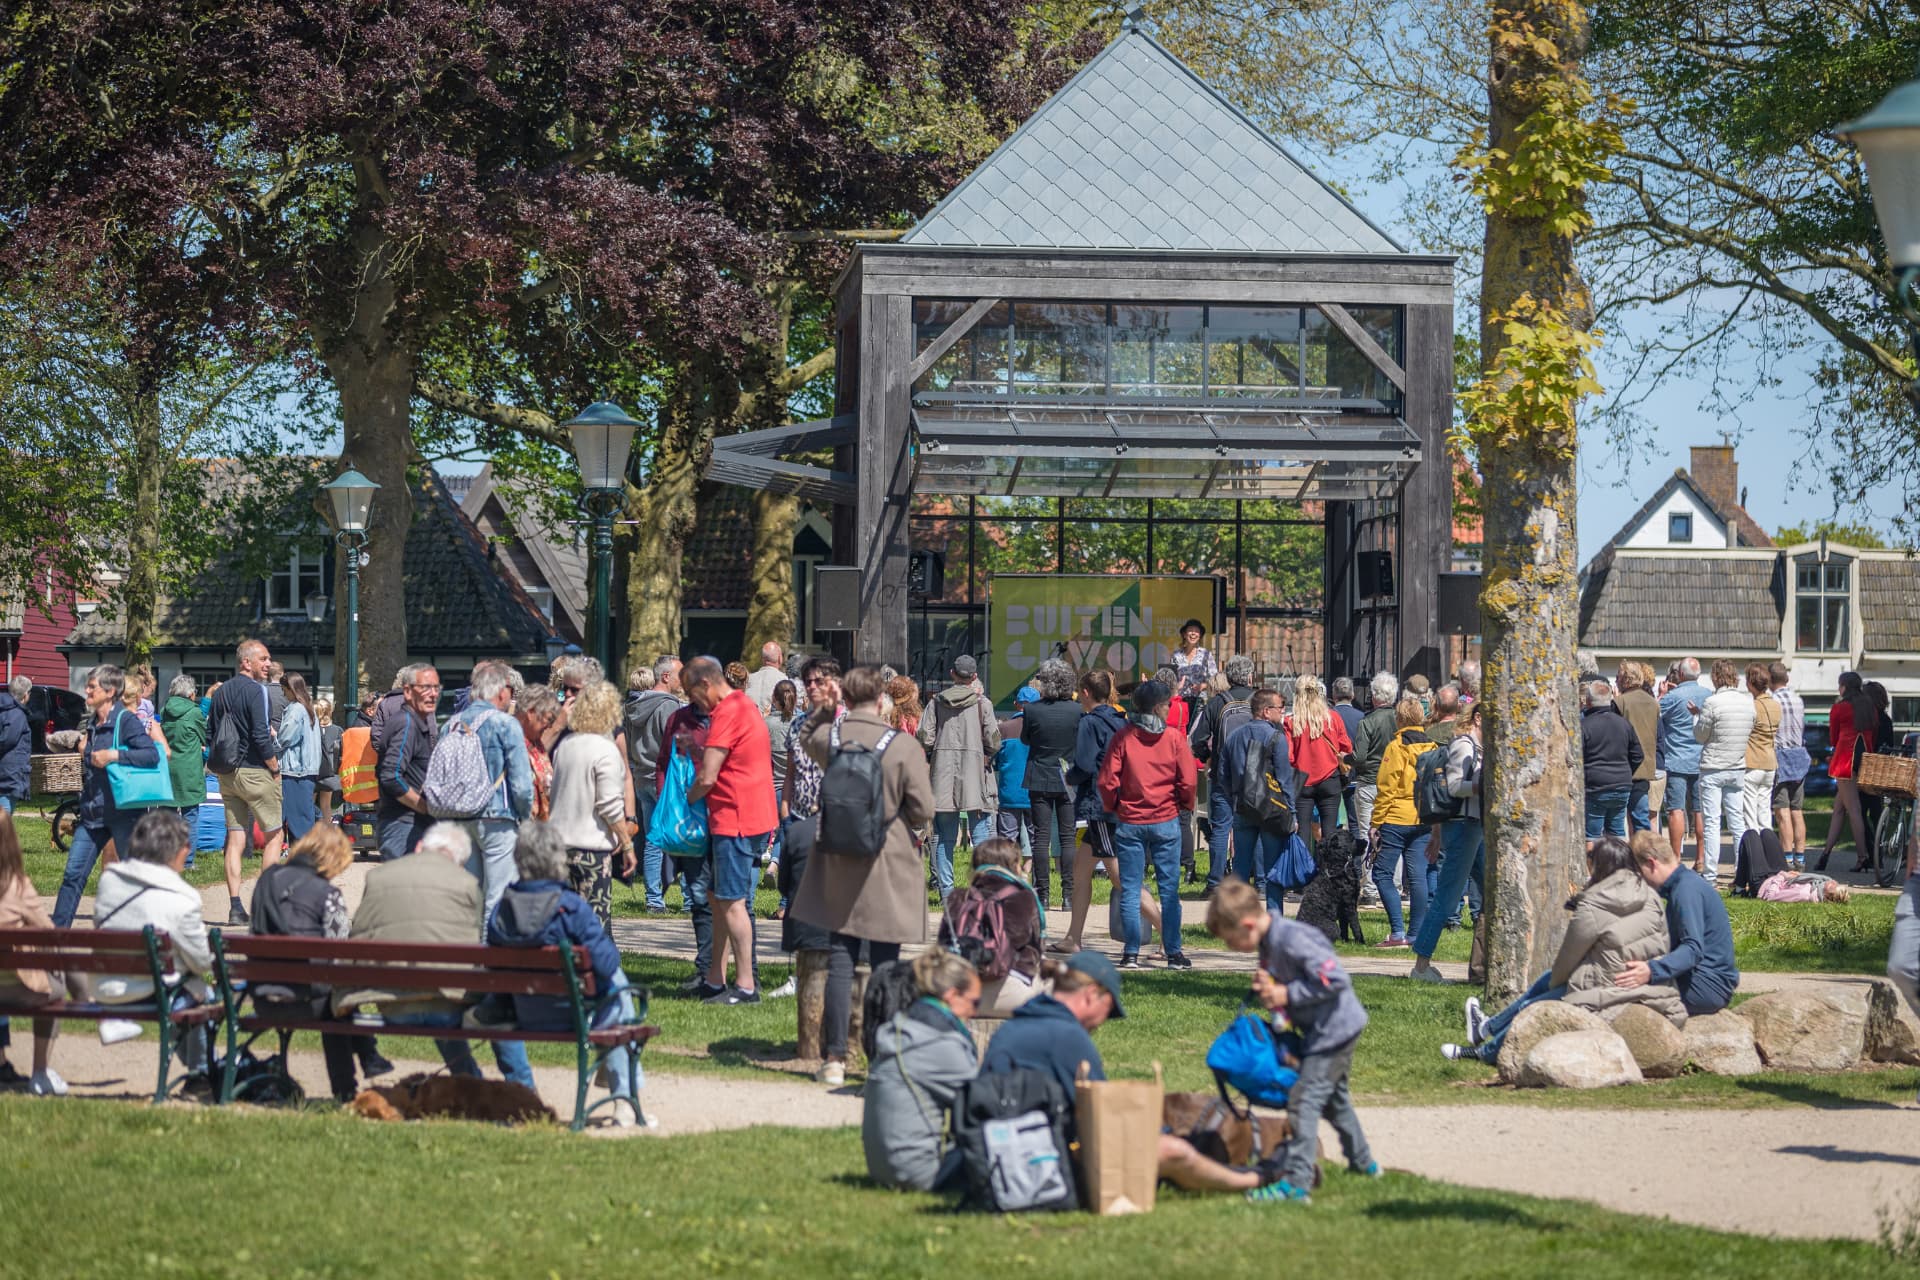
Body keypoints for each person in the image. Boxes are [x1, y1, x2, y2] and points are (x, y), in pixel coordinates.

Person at [980, 950, 1277, 1196]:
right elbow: (1103, 1120)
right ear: (1091, 995)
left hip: (994, 1156)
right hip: (1030, 1167)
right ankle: (1254, 1179)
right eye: (1108, 1010)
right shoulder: (1067, 1036)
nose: (1102, 1023)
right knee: (1172, 1150)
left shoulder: (1018, 1024)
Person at [792, 663, 934, 1086]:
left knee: (841, 958)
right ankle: (882, 1057)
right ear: (881, 698)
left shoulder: (833, 740)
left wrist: (825, 709)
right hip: (887, 859)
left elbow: (806, 735)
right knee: (886, 963)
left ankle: (835, 1057)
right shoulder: (902, 746)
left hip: (837, 857)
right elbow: (924, 809)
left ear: (847, 698)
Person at [1443, 835, 1686, 1061]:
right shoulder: (1652, 897)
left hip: (1609, 989)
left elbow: (1567, 961)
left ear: (1599, 868)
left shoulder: (1593, 907)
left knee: (1535, 1006)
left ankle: (1485, 1053)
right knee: (1547, 980)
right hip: (1650, 983)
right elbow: (1662, 944)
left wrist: (1557, 983)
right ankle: (1486, 1028)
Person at [1208, 878, 1378, 1203]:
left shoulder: (1292, 938)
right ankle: (1365, 1165)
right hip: (1319, 1029)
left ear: (1246, 925)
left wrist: (1287, 992)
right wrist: (1272, 993)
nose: (1231, 947)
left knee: (1303, 1101)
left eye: (1231, 941)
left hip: (1335, 1029)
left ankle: (1297, 1184)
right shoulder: (1269, 944)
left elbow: (1334, 978)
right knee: (1334, 1101)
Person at [349, 820, 532, 1088]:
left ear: (420, 846)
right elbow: (473, 946)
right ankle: (523, 1088)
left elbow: (358, 935)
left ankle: (469, 1083)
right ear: (459, 862)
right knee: (495, 1004)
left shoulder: (378, 877)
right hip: (445, 1005)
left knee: (437, 993)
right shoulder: (466, 884)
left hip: (390, 1003)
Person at [488, 820, 647, 1126]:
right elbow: (608, 963)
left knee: (614, 985)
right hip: (578, 1015)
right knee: (617, 983)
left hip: (520, 1012)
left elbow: (493, 967)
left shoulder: (501, 910)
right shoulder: (571, 908)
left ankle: (527, 1092)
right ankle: (625, 1099)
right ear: (558, 859)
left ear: (519, 859)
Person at [249, 824, 390, 1102]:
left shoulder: (267, 881)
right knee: (337, 1003)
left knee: (335, 1000)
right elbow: (341, 954)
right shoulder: (327, 894)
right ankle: (348, 1085)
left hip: (263, 997)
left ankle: (368, 1057)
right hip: (308, 1002)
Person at [91, 810, 217, 1081]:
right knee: (201, 991)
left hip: (108, 988)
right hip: (151, 993)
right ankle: (204, 1073)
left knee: (188, 987)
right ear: (177, 852)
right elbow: (201, 963)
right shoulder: (184, 898)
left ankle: (203, 1072)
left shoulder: (109, 881)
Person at [683, 656, 777, 1005]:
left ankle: (746, 986)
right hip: (749, 815)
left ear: (705, 684)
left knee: (733, 902)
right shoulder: (744, 704)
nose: (694, 703)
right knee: (718, 897)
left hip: (735, 818)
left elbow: (708, 776)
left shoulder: (726, 713)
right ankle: (715, 978)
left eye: (692, 694)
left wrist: (684, 801)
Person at [861, 948, 981, 1191]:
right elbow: (982, 1105)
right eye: (974, 1002)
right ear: (952, 995)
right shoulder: (941, 1044)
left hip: (881, 1169)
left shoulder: (900, 1027)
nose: (976, 1011)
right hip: (920, 1172)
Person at [51, 664, 162, 928]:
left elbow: (151, 755)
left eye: (92, 687)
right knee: (73, 876)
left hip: (123, 814)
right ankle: (57, 936)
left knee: (134, 879)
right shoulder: (93, 723)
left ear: (110, 691)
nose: (86, 691)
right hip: (92, 815)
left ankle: (150, 934)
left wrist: (114, 755)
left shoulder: (126, 721)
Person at [1098, 680, 1196, 971]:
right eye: (1166, 705)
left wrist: (1114, 806)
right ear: (1156, 708)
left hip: (1130, 820)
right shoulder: (1173, 738)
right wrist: (1184, 803)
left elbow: (1107, 780)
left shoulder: (1124, 737)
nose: (1169, 709)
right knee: (1169, 891)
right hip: (1166, 819)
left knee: (1130, 889)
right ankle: (1173, 953)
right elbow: (1188, 780)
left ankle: (1130, 952)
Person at [1059, 670, 1158, 952]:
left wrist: (1069, 776)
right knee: (1081, 872)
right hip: (1118, 801)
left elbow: (1085, 764)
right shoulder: (1120, 719)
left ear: (1085, 693)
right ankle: (1073, 938)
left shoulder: (1090, 722)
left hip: (1100, 806)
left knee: (1121, 879)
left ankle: (1169, 934)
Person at [1614, 830, 1739, 1016]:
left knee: (1617, 993)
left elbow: (1692, 949)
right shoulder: (1683, 885)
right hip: (1703, 980)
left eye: (1639, 875)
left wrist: (1651, 971)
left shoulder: (1685, 890)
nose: (1640, 882)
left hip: (1707, 986)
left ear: (1651, 863)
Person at [206, 639, 284, 925]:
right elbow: (261, 736)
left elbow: (210, 732)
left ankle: (235, 908)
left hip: (227, 773)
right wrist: (274, 767)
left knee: (236, 838)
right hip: (255, 771)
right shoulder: (257, 691)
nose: (268, 664)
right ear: (246, 662)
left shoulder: (220, 692)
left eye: (269, 659)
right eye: (263, 659)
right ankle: (264, 907)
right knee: (275, 836)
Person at [1409, 701, 1485, 983]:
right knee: (1448, 896)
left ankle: (1481, 967)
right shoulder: (1464, 745)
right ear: (1478, 718)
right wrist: (1484, 786)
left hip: (1475, 826)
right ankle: (1421, 966)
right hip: (1464, 826)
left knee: (1492, 895)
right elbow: (1454, 786)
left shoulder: (1480, 747)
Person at [550, 680, 633, 934]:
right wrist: (626, 843)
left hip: (559, 846)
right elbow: (609, 805)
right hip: (591, 852)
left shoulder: (565, 746)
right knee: (594, 927)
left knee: (565, 926)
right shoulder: (605, 749)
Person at [918, 655, 1000, 902]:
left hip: (942, 774)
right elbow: (994, 740)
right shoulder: (983, 704)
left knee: (943, 837)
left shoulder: (935, 703)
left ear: (952, 673)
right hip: (975, 775)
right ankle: (982, 892)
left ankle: (947, 894)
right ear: (974, 677)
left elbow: (925, 737)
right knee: (981, 836)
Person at [938, 837, 1044, 1016]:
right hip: (1010, 995)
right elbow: (1035, 948)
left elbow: (943, 944)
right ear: (1014, 866)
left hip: (958, 994)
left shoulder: (958, 897)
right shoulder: (1023, 897)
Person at [0, 813, 66, 1095]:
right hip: (17, 986)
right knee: (56, 987)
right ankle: (40, 1070)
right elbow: (49, 935)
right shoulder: (18, 888)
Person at [1019, 658, 1081, 918]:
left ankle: (1042, 894)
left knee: (1040, 837)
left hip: (1040, 776)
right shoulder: (1077, 710)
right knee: (1067, 837)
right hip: (1068, 777)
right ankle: (1068, 895)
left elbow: (1025, 739)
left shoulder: (1033, 710)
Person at [1368, 697, 1433, 948]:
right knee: (1418, 877)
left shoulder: (1396, 747)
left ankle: (1397, 931)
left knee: (1382, 873)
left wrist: (1376, 822)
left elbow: (1387, 788)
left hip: (1396, 817)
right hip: (1423, 817)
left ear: (1400, 718)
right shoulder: (1432, 746)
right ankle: (1415, 934)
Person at [1189, 654, 1257, 891]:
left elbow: (1198, 740)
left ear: (1228, 677)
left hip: (1222, 775)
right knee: (1253, 828)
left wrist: (1208, 758)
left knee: (1220, 829)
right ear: (1250, 677)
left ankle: (1215, 883)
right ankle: (1256, 881)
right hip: (1254, 778)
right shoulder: (1258, 700)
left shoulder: (1217, 703)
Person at [1220, 689, 1290, 906]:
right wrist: (1291, 812)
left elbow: (1223, 775)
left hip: (1243, 806)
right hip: (1271, 809)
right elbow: (1285, 780)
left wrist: (1234, 796)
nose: (1282, 711)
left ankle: (1238, 917)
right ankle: (1274, 916)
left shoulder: (1234, 737)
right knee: (1272, 869)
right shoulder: (1277, 738)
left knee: (1240, 866)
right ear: (1266, 711)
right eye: (1279, 707)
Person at [624, 656, 683, 912]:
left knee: (653, 840)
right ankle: (689, 900)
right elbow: (676, 746)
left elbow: (628, 743)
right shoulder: (668, 706)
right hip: (664, 779)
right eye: (680, 674)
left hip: (641, 777)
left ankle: (654, 899)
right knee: (680, 838)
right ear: (666, 676)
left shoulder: (633, 705)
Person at [1691, 659, 1755, 880]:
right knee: (1737, 823)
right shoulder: (1748, 703)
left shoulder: (1712, 702)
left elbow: (1701, 735)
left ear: (1716, 677)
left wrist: (1696, 717)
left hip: (1713, 768)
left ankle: (1710, 873)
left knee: (1712, 822)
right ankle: (1741, 871)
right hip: (1737, 766)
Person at [371, 663, 440, 861]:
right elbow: (390, 776)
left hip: (413, 825)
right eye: (425, 687)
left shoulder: (418, 721)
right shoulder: (406, 724)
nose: (433, 694)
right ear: (408, 692)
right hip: (402, 826)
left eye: (436, 688)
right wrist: (423, 806)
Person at [1818, 672, 1877, 873]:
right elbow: (1873, 731)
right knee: (1839, 809)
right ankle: (1825, 854)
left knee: (1854, 809)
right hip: (1865, 757)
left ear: (1844, 687)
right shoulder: (1869, 706)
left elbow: (1833, 738)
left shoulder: (1840, 707)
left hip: (1846, 759)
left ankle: (1862, 857)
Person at [1286, 675, 1353, 852]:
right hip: (1330, 778)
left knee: (1303, 831)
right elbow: (1346, 747)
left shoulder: (1291, 722)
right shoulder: (1333, 718)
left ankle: (1303, 867)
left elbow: (1289, 757)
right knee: (1330, 832)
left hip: (1303, 781)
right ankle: (1329, 866)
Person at [1657, 657, 1707, 866]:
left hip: (1676, 759)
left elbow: (1654, 714)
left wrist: (1661, 695)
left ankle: (1676, 857)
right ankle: (1701, 857)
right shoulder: (1709, 696)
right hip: (1701, 759)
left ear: (1680, 674)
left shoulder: (1672, 697)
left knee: (1675, 809)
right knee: (1700, 809)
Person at [1581, 680, 1641, 842]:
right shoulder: (1624, 724)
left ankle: (1592, 860)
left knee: (1592, 836)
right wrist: (1626, 772)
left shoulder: (1584, 725)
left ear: (1588, 701)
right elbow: (1638, 755)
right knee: (1617, 833)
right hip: (1621, 784)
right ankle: (1618, 859)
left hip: (1596, 785)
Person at [1350, 672, 1400, 859]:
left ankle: (1369, 878)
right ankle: (1394, 877)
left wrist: (1344, 759)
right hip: (1394, 783)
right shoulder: (1400, 719)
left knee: (1367, 834)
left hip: (1369, 781)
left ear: (1375, 696)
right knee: (1393, 838)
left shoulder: (1367, 721)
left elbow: (1359, 757)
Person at [1769, 663, 1810, 870]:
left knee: (1782, 810)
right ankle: (1800, 857)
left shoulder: (1772, 701)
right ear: (1786, 679)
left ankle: (1786, 858)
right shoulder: (1798, 699)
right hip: (1799, 757)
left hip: (1781, 757)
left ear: (1770, 680)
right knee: (1797, 810)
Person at [275, 671, 322, 843]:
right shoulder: (309, 708)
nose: (283, 694)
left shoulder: (295, 709)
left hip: (294, 770)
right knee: (304, 817)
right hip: (307, 769)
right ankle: (305, 854)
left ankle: (303, 855)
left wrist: (273, 740)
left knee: (297, 822)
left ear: (291, 689)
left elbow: (285, 738)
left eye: (284, 689)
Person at [994, 687, 1038, 858]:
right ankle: (1035, 873)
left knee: (1007, 839)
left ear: (1015, 704)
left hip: (1009, 791)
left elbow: (993, 759)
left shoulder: (1003, 729)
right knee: (1037, 839)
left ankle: (1007, 872)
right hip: (1035, 791)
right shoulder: (1040, 729)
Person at [159, 675, 208, 826]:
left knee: (167, 820)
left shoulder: (164, 711)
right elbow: (204, 737)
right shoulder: (194, 712)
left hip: (168, 769)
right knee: (190, 818)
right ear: (191, 694)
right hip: (189, 772)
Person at [1617, 662, 1659, 834]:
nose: (1616, 681)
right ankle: (1644, 850)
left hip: (1622, 767)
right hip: (1645, 767)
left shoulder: (1620, 702)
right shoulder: (1653, 702)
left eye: (1618, 677)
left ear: (1625, 678)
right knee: (1641, 819)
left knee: (1616, 822)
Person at [1741, 662, 1780, 838]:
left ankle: (1755, 850)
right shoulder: (1776, 705)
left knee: (1750, 817)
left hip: (1753, 762)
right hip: (1770, 763)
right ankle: (1768, 847)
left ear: (1750, 683)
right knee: (1765, 815)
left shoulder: (1752, 706)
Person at [516, 684, 562, 823]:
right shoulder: (511, 740)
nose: (549, 726)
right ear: (531, 713)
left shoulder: (536, 743)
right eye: (549, 719)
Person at [0, 676, 32, 815]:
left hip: (5, 772)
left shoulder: (4, 709)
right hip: (9, 773)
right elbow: (7, 740)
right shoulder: (17, 714)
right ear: (25, 695)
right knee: (4, 817)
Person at [312, 698, 343, 826]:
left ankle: (311, 831)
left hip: (313, 769)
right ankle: (327, 832)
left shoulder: (312, 729)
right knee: (326, 804)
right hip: (330, 771)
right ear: (330, 712)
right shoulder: (337, 730)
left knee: (310, 803)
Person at [745, 641, 786, 714]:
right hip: (771, 721)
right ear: (780, 658)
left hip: (750, 720)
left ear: (762, 659)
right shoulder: (784, 680)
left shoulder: (748, 679)